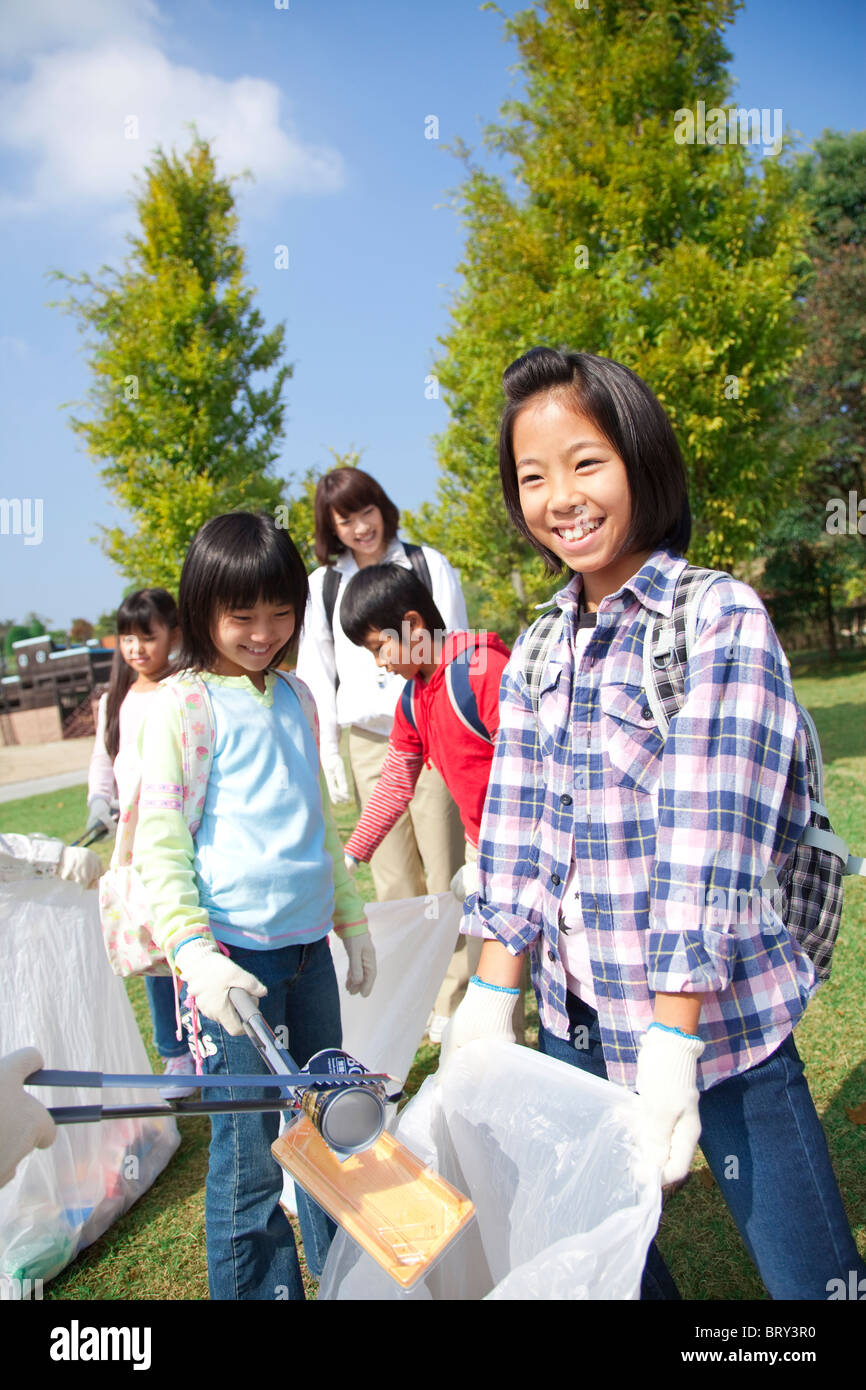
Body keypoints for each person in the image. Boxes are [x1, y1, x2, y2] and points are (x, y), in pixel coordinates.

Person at [444, 345, 866, 1301]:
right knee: (610, 1268)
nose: (562, 496)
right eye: (534, 476)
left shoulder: (717, 617)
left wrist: (675, 1042)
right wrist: (488, 995)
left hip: (716, 1023)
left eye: (586, 461)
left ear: (639, 457)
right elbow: (514, 825)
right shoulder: (543, 642)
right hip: (579, 1022)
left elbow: (709, 836)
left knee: (810, 1282)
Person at [132, 511, 377, 1301]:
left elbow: (317, 820)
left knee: (332, 1136)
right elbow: (160, 847)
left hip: (310, 958)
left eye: (281, 614)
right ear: (204, 609)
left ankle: (346, 1282)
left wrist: (352, 922)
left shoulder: (301, 698)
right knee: (246, 1160)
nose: (264, 632)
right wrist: (195, 956)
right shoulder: (184, 708)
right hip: (232, 968)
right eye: (244, 616)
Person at [296, 467, 468, 1036]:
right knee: (395, 885)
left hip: (435, 729)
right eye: (345, 519)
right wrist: (327, 751)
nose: (359, 527)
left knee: (450, 873)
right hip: (372, 740)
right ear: (332, 527)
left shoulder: (425, 564)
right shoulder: (325, 584)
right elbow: (316, 671)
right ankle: (415, 999)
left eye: (366, 511)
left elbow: (454, 650)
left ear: (382, 508)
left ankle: (458, 1001)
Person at [338, 564, 530, 1038]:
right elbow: (394, 784)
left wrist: (499, 859)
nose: (379, 663)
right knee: (497, 978)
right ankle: (504, 1060)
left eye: (379, 647)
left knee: (544, 971)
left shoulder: (484, 673)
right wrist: (352, 854)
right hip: (480, 845)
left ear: (413, 626)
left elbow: (530, 771)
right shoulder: (413, 698)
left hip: (525, 846)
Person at [86, 589, 196, 1096]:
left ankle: (205, 1043)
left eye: (146, 636)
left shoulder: (188, 690)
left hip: (183, 832)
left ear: (173, 635)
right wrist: (99, 802)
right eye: (127, 638)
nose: (136, 648)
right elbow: (102, 766)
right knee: (153, 945)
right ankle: (174, 1055)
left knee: (190, 936)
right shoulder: (115, 699)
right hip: (135, 849)